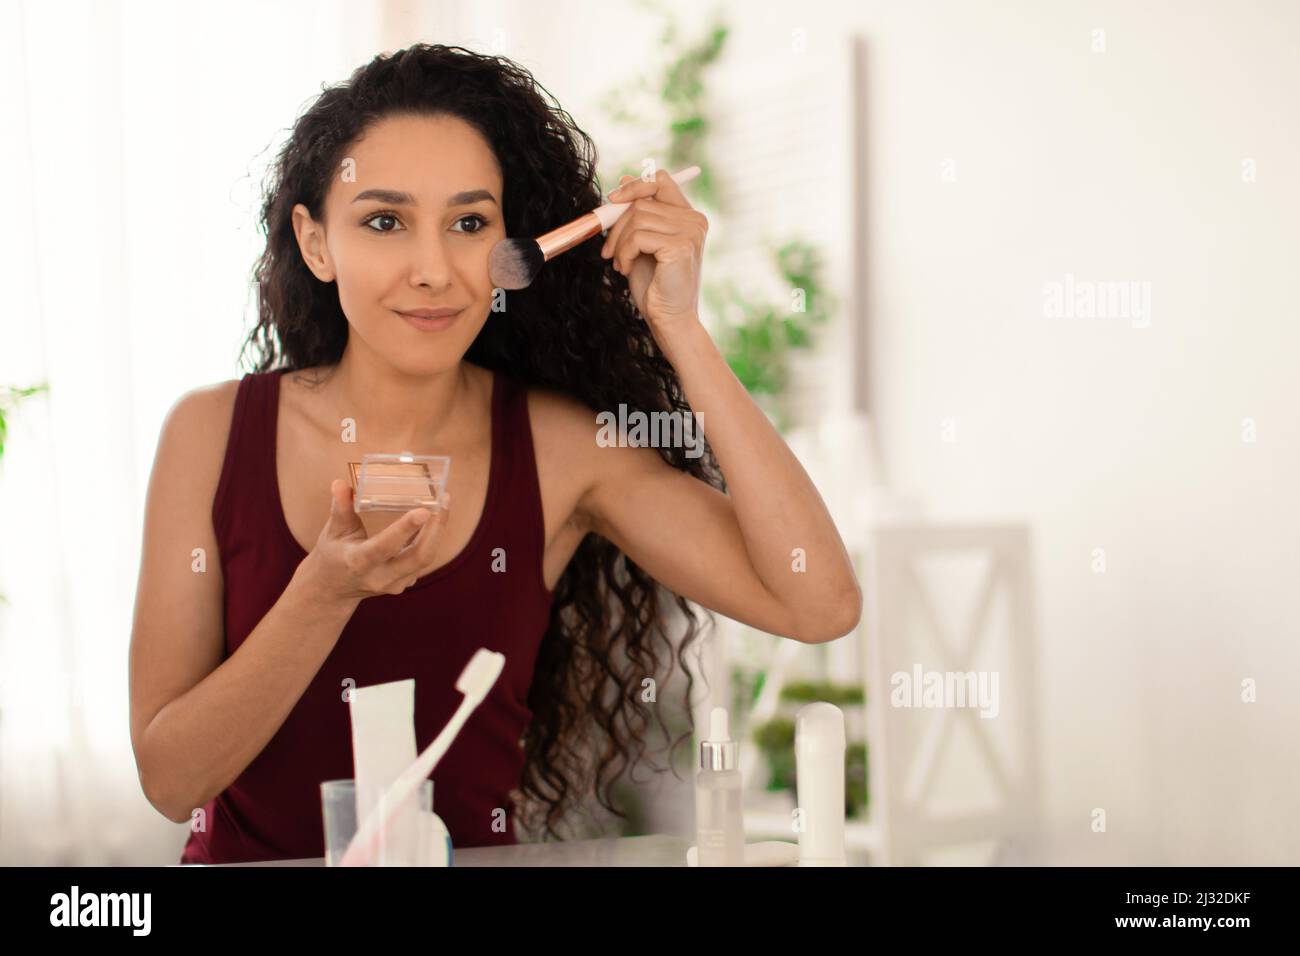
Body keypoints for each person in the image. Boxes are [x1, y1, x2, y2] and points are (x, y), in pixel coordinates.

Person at [128, 43, 862, 864]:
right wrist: (323, 594)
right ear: (316, 241)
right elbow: (170, 780)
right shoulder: (209, 434)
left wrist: (681, 328)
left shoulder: (560, 450)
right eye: (384, 221)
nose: (435, 270)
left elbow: (818, 604)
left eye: (470, 224)